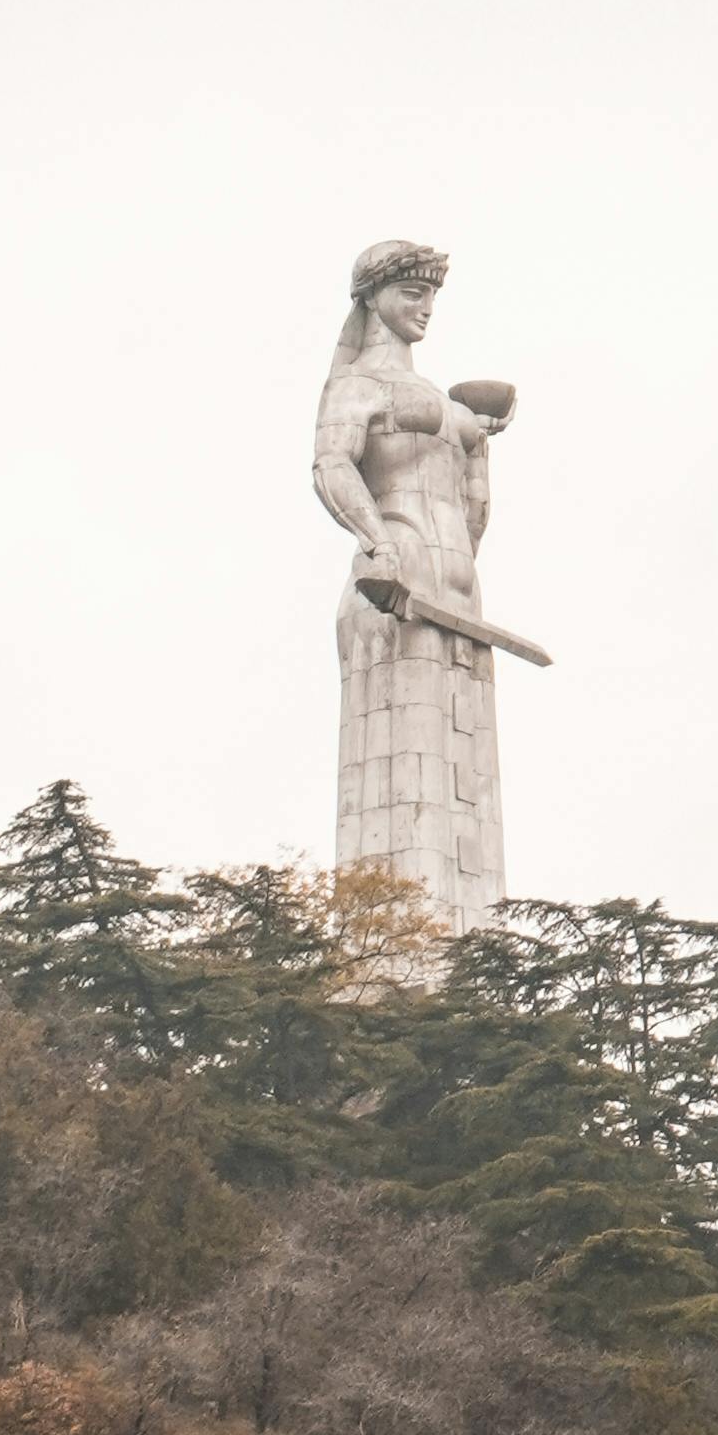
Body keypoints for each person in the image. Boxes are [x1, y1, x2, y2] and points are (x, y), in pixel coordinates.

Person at [312, 236, 525, 927]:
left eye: (431, 295)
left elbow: (476, 513)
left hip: (459, 591)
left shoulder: (440, 397)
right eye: (411, 292)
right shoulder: (357, 386)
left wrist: (478, 443)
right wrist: (375, 542)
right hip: (396, 583)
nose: (425, 307)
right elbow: (331, 468)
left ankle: (474, 971)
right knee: (404, 789)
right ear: (373, 298)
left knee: (469, 790)